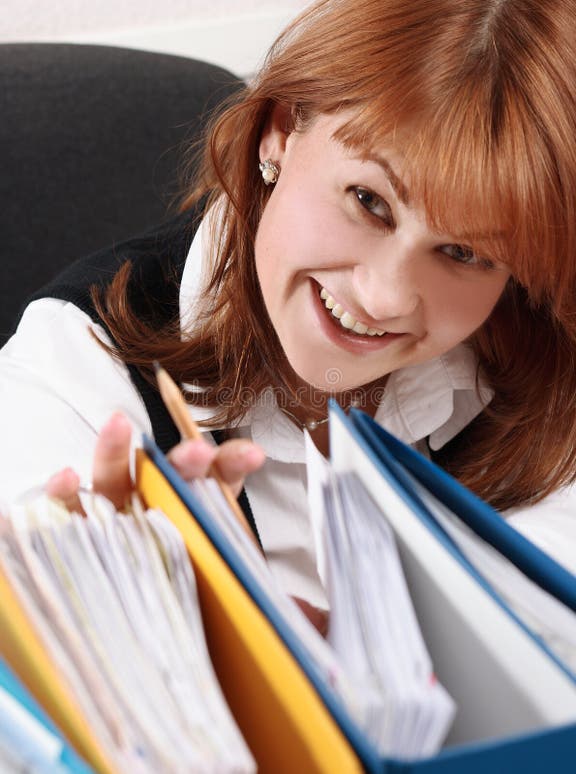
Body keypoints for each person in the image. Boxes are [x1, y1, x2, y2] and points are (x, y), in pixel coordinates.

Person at [1, 0, 576, 617]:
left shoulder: (536, 348)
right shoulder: (70, 375)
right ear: (279, 130)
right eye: (368, 201)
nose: (384, 297)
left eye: (464, 252)